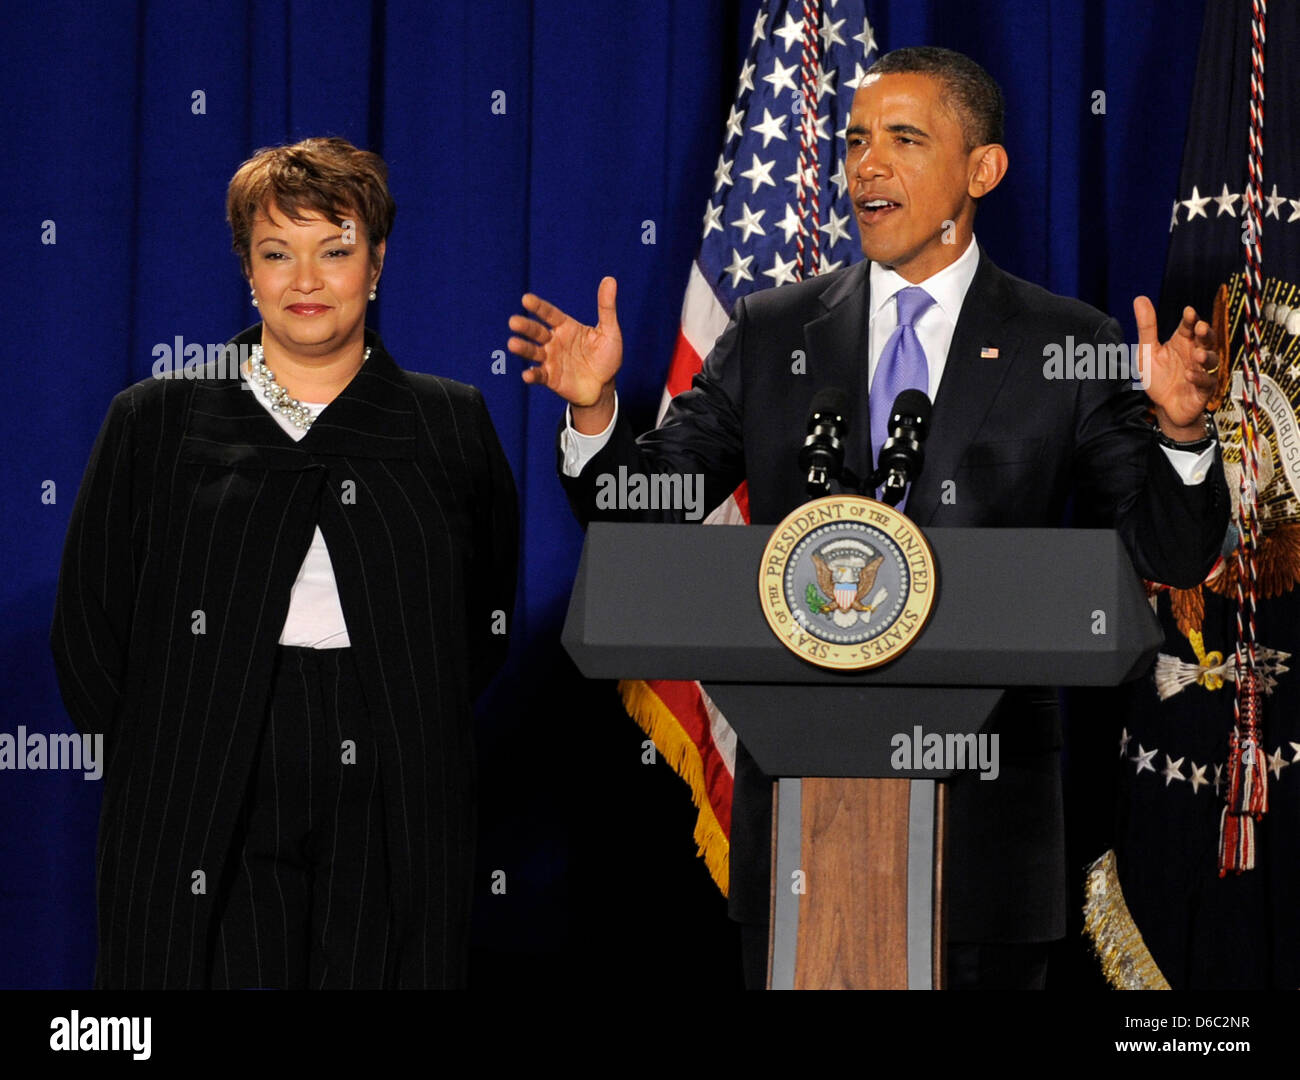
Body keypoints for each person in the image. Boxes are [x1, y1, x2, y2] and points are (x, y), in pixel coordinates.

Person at [508, 47, 1229, 989]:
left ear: (982, 170)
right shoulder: (772, 331)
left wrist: (1180, 432)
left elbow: (1166, 548)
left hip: (984, 839)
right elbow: (646, 511)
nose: (865, 166)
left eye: (903, 139)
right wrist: (597, 417)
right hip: (799, 833)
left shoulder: (1071, 341)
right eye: (854, 141)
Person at [50, 136, 518, 989]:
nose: (306, 281)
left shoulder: (449, 421)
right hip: (201, 766)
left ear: (374, 266)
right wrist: (168, 746)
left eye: (334, 251)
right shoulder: (155, 421)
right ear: (248, 270)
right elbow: (88, 625)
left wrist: (396, 713)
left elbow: (479, 617)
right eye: (277, 253)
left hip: (394, 772)